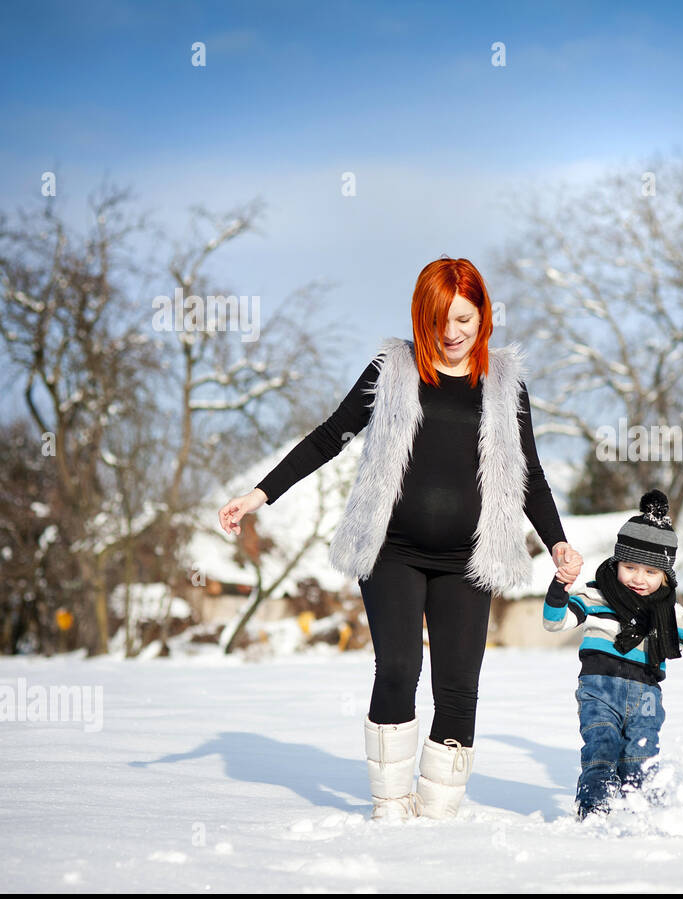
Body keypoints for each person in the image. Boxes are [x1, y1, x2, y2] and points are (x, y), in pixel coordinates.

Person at [217, 257, 583, 822]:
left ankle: (438, 814)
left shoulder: (505, 386)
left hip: (468, 559)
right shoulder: (393, 372)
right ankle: (390, 805)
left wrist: (557, 541)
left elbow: (528, 473)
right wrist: (259, 495)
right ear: (421, 318)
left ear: (483, 316)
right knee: (397, 668)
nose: (452, 332)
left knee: (458, 685)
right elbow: (329, 437)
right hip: (392, 551)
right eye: (439, 320)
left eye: (464, 319)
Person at [542, 490, 683, 820]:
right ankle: (593, 811)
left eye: (650, 572)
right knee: (601, 749)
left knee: (640, 758)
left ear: (665, 576)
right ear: (617, 562)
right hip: (599, 689)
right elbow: (554, 622)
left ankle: (643, 817)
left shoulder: (666, 609)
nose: (638, 579)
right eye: (630, 567)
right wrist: (559, 588)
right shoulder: (596, 594)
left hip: (646, 694)